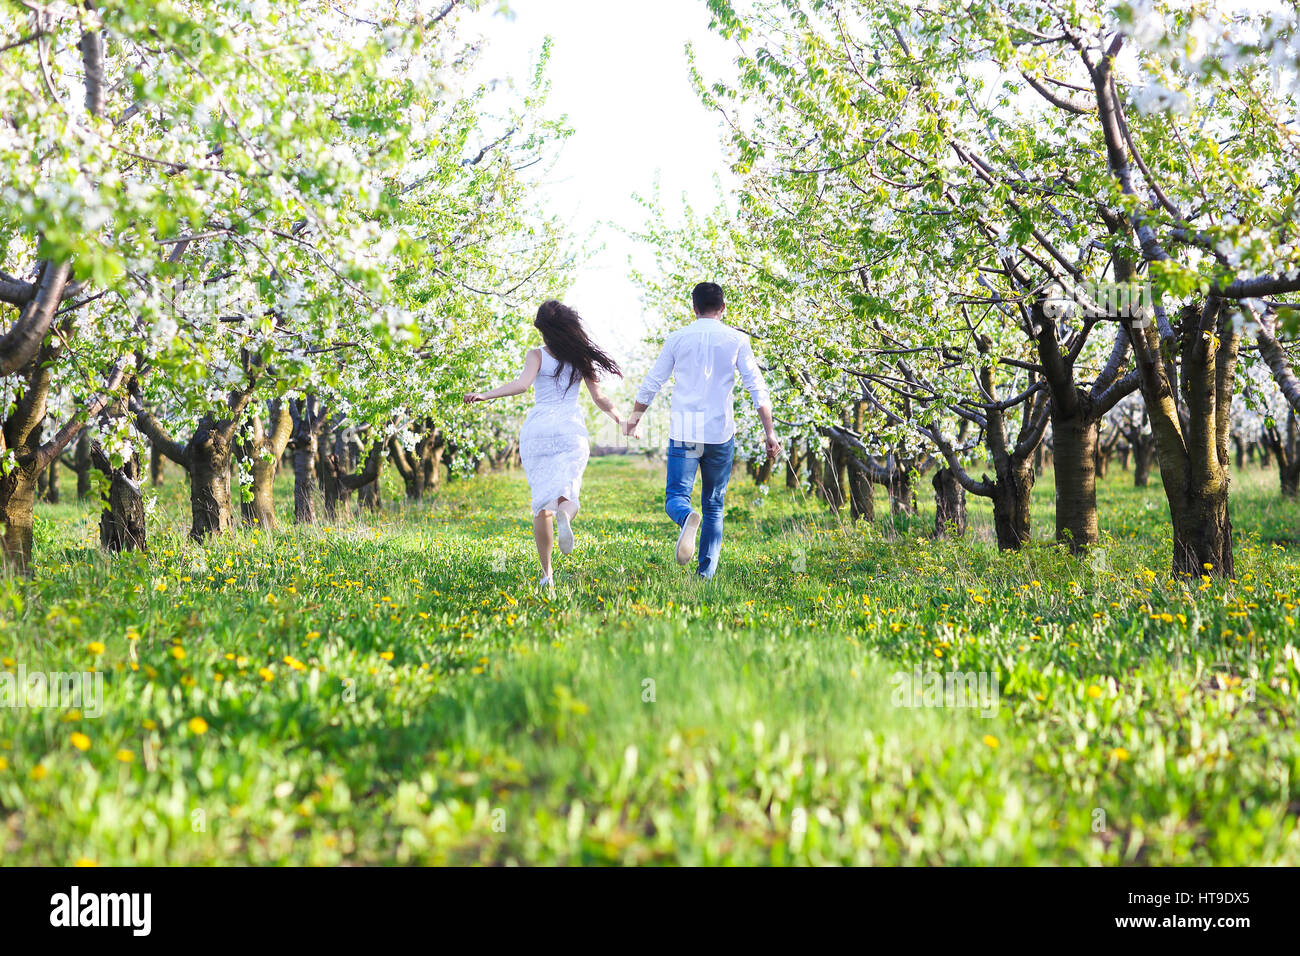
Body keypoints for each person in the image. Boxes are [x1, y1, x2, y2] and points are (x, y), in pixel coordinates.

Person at [623, 282, 780, 579]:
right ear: (722, 308)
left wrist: (634, 419)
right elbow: (756, 386)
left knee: (676, 497)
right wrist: (769, 431)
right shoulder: (737, 340)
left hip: (686, 428)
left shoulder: (677, 338)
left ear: (693, 308)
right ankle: (704, 575)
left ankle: (685, 519)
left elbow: (652, 381)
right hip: (720, 430)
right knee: (714, 504)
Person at [465, 300, 625, 588]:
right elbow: (599, 398)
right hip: (570, 429)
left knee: (541, 506)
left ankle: (546, 575)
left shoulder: (536, 355)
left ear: (543, 330)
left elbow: (522, 385)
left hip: (538, 430)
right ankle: (565, 514)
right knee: (568, 495)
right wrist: (621, 420)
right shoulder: (581, 357)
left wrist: (485, 395)